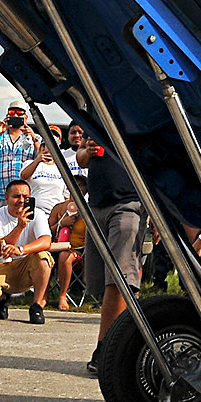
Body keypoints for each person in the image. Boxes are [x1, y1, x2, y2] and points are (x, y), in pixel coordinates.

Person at [84, 133, 143, 377]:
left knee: (119, 280)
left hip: (128, 204)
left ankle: (106, 349)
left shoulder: (133, 115)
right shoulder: (94, 112)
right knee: (99, 282)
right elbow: (80, 157)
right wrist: (87, 151)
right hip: (97, 205)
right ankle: (130, 344)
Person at [0, 178, 52, 322]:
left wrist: (20, 250)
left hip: (25, 266)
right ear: (6, 198)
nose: (21, 200)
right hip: (0, 266)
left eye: (25, 197)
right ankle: (2, 299)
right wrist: (19, 227)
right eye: (16, 196)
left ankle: (37, 306)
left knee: (43, 257)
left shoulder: (38, 214)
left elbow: (46, 241)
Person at [0, 100, 39, 208]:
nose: (16, 115)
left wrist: (34, 137)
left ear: (25, 117)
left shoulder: (34, 138)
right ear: (7, 115)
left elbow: (42, 157)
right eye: (12, 112)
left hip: (23, 196)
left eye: (20, 113)